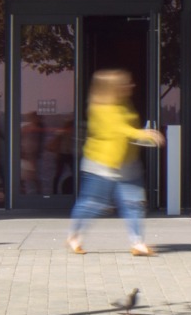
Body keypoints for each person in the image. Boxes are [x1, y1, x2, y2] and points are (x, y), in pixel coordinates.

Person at [63, 66, 155, 257]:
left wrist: (140, 136)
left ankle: (137, 243)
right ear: (112, 87)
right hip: (102, 164)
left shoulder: (126, 104)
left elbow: (127, 130)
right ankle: (74, 236)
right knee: (92, 203)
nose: (131, 85)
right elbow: (118, 128)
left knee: (134, 203)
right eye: (125, 83)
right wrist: (143, 134)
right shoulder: (100, 108)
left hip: (128, 165)